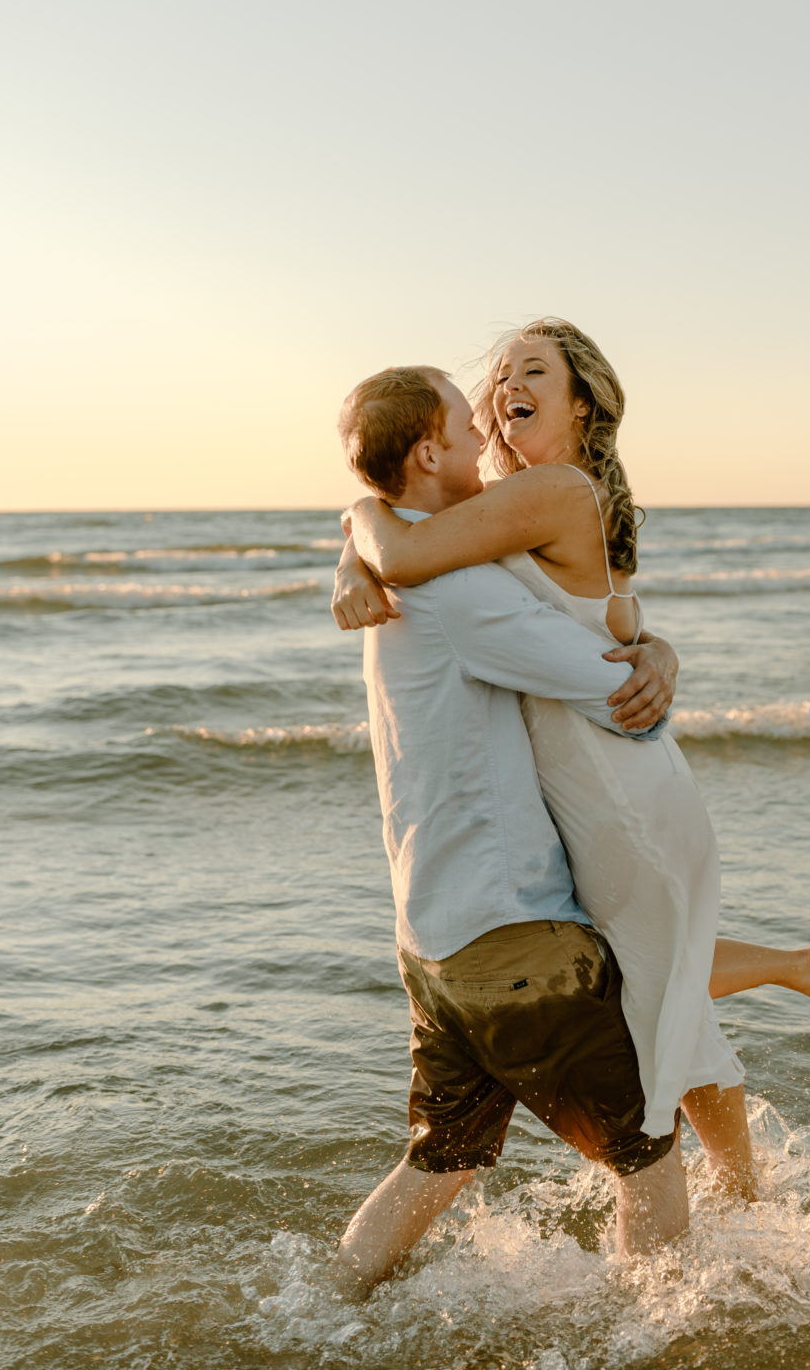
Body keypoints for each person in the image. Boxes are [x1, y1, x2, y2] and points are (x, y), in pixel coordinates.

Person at [335, 321, 810, 1212]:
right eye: (499, 373)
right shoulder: (516, 495)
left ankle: (758, 1117)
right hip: (579, 778)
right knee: (656, 994)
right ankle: (748, 1192)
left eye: (532, 371)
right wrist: (659, 649)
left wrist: (357, 536)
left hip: (612, 780)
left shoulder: (552, 489)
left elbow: (406, 543)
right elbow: (597, 616)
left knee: (650, 984)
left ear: (581, 398)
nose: (503, 386)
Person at [330, 364, 691, 1300]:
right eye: (464, 422)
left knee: (439, 1161)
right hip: (514, 938)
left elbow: (385, 531)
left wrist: (355, 530)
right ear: (428, 453)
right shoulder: (459, 593)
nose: (483, 435)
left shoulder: (397, 570)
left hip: (432, 946)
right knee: (649, 1150)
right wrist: (652, 665)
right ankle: (664, 1332)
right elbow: (620, 702)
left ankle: (323, 1309)